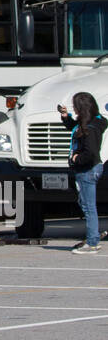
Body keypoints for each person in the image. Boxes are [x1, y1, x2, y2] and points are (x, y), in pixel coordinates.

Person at [60, 92, 106, 253]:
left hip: (87, 170)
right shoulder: (93, 121)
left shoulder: (90, 128)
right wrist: (65, 117)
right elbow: (74, 127)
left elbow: (90, 152)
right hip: (91, 168)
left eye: (75, 107)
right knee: (85, 203)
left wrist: (76, 158)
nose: (74, 109)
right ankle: (94, 234)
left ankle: (92, 242)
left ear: (82, 108)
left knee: (89, 207)